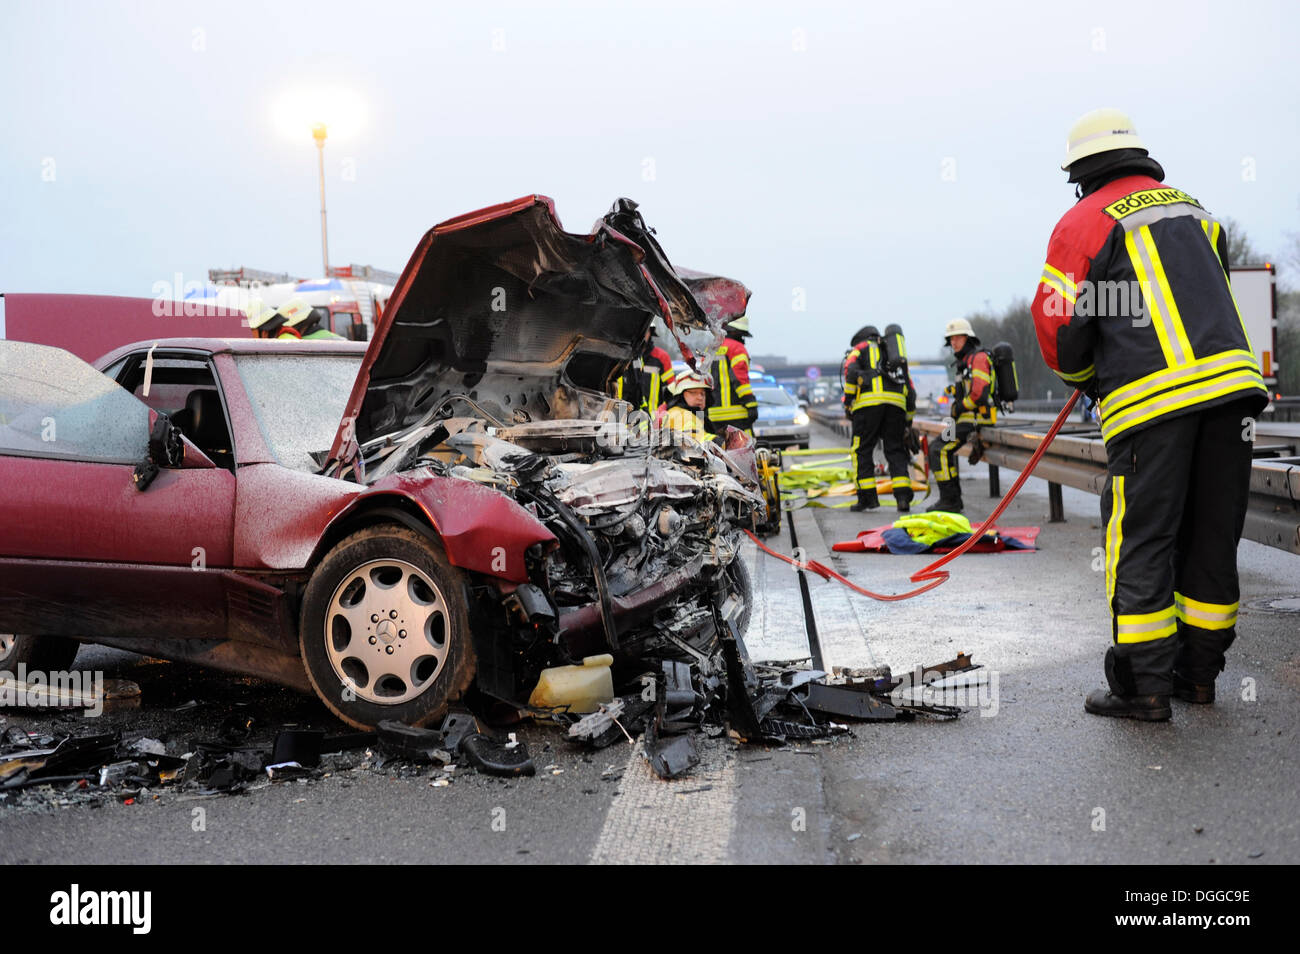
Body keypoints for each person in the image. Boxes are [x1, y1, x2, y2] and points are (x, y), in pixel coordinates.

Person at [1031, 108, 1269, 721]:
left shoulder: (1082, 222)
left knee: (1142, 538)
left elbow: (1058, 328)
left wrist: (1088, 379)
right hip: (1233, 396)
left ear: (1081, 172)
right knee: (1212, 536)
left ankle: (1143, 689)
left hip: (1152, 404)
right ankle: (1198, 679)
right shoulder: (1197, 211)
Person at [842, 326, 914, 512]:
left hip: (867, 407)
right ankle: (903, 499)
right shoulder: (892, 353)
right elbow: (910, 388)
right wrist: (908, 421)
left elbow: (850, 373)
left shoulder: (860, 348)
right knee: (896, 449)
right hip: (897, 406)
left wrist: (848, 402)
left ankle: (868, 498)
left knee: (862, 450)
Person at [926, 318, 994, 513]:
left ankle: (950, 500)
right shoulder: (963, 364)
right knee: (938, 448)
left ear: (968, 338)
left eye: (957, 338)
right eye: (951, 339)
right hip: (965, 421)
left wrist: (960, 407)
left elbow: (979, 394)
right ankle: (952, 499)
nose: (953, 343)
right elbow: (965, 389)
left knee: (938, 449)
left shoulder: (978, 359)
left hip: (976, 420)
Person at [706, 315, 758, 437]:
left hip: (712, 415)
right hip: (737, 415)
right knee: (744, 451)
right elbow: (740, 379)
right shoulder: (737, 348)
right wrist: (751, 404)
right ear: (736, 331)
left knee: (719, 451)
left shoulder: (711, 347)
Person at [614, 326, 675, 415]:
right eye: (638, 331)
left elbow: (671, 390)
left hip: (652, 419)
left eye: (645, 331)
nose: (641, 334)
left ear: (650, 333)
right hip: (621, 415)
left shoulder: (661, 357)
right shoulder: (620, 357)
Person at [655, 370, 714, 443]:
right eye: (693, 392)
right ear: (681, 395)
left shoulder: (697, 415)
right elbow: (693, 439)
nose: (700, 397)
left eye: (702, 394)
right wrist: (721, 441)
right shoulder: (679, 414)